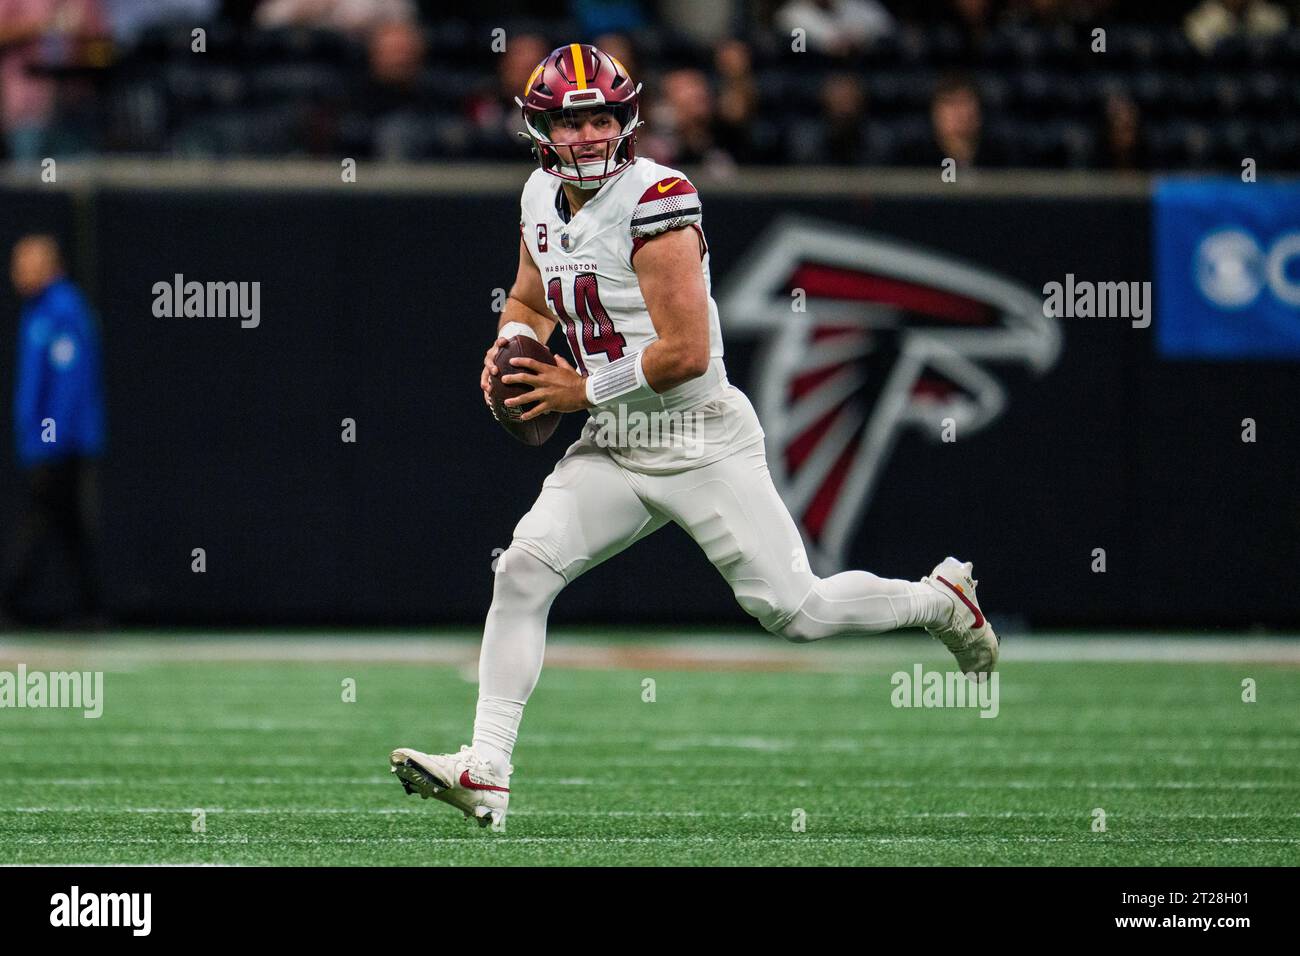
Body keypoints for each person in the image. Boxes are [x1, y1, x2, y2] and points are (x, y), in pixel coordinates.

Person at [389, 44, 998, 828]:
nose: (587, 135)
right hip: (616, 438)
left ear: (626, 118)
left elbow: (685, 354)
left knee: (798, 611)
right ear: (541, 129)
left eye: (601, 117)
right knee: (523, 573)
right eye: (571, 122)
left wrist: (574, 388)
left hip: (697, 435)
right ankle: (487, 768)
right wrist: (508, 342)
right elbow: (532, 297)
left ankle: (937, 602)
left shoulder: (660, 199)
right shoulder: (540, 194)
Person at [2, 235, 106, 627]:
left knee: (43, 520)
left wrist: (49, 443)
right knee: (66, 524)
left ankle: (12, 598)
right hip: (47, 443)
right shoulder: (38, 311)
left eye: (26, 263)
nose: (18, 272)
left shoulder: (63, 309)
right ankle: (90, 606)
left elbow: (67, 386)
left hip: (61, 444)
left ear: (48, 265)